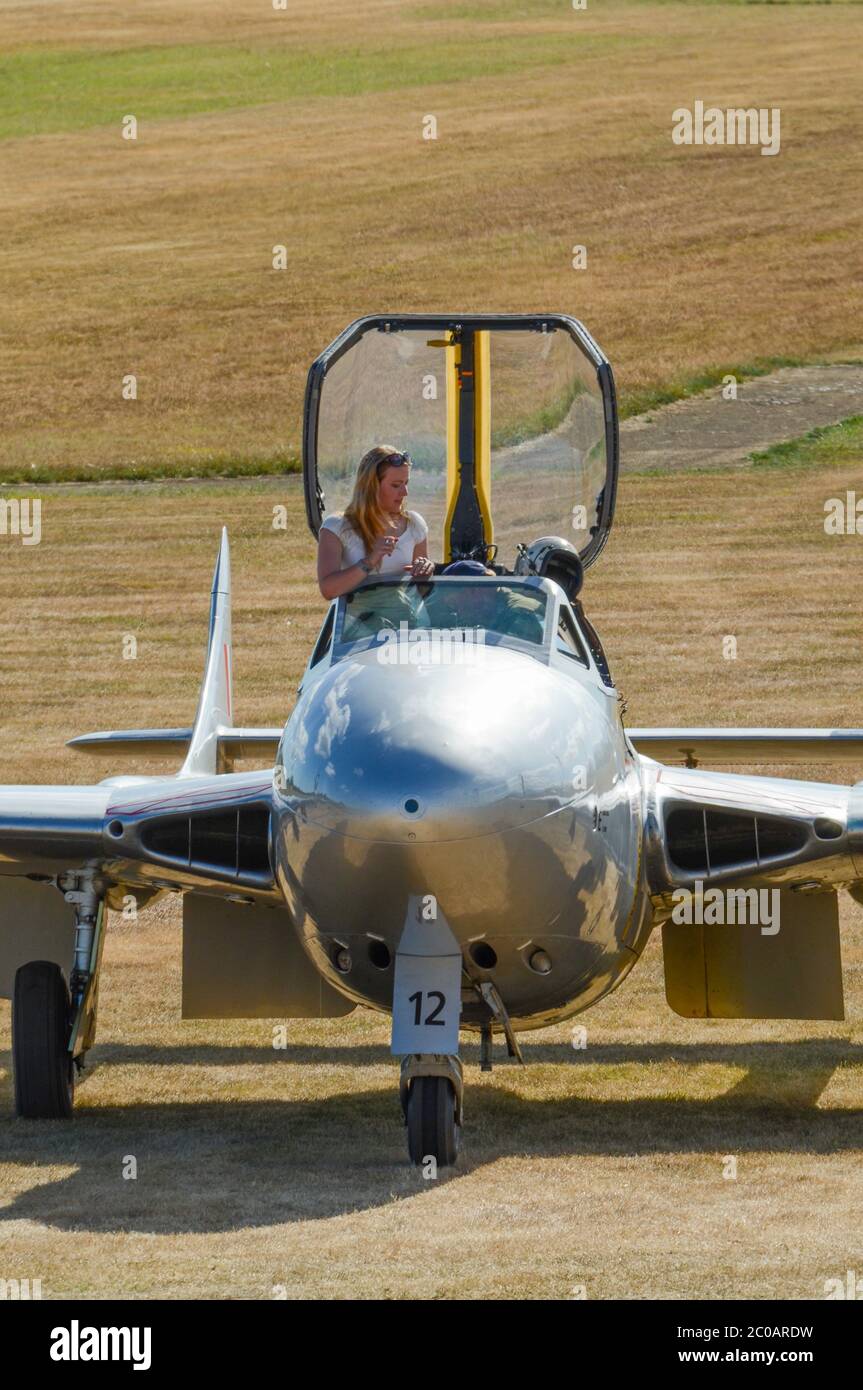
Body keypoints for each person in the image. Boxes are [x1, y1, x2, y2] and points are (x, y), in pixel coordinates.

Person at [317, 445, 434, 600]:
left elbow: (423, 594)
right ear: (371, 487)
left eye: (406, 483)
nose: (405, 492)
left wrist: (426, 574)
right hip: (360, 622)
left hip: (407, 621)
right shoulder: (337, 527)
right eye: (396, 485)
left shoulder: (414, 524)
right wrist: (370, 560)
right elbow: (328, 590)